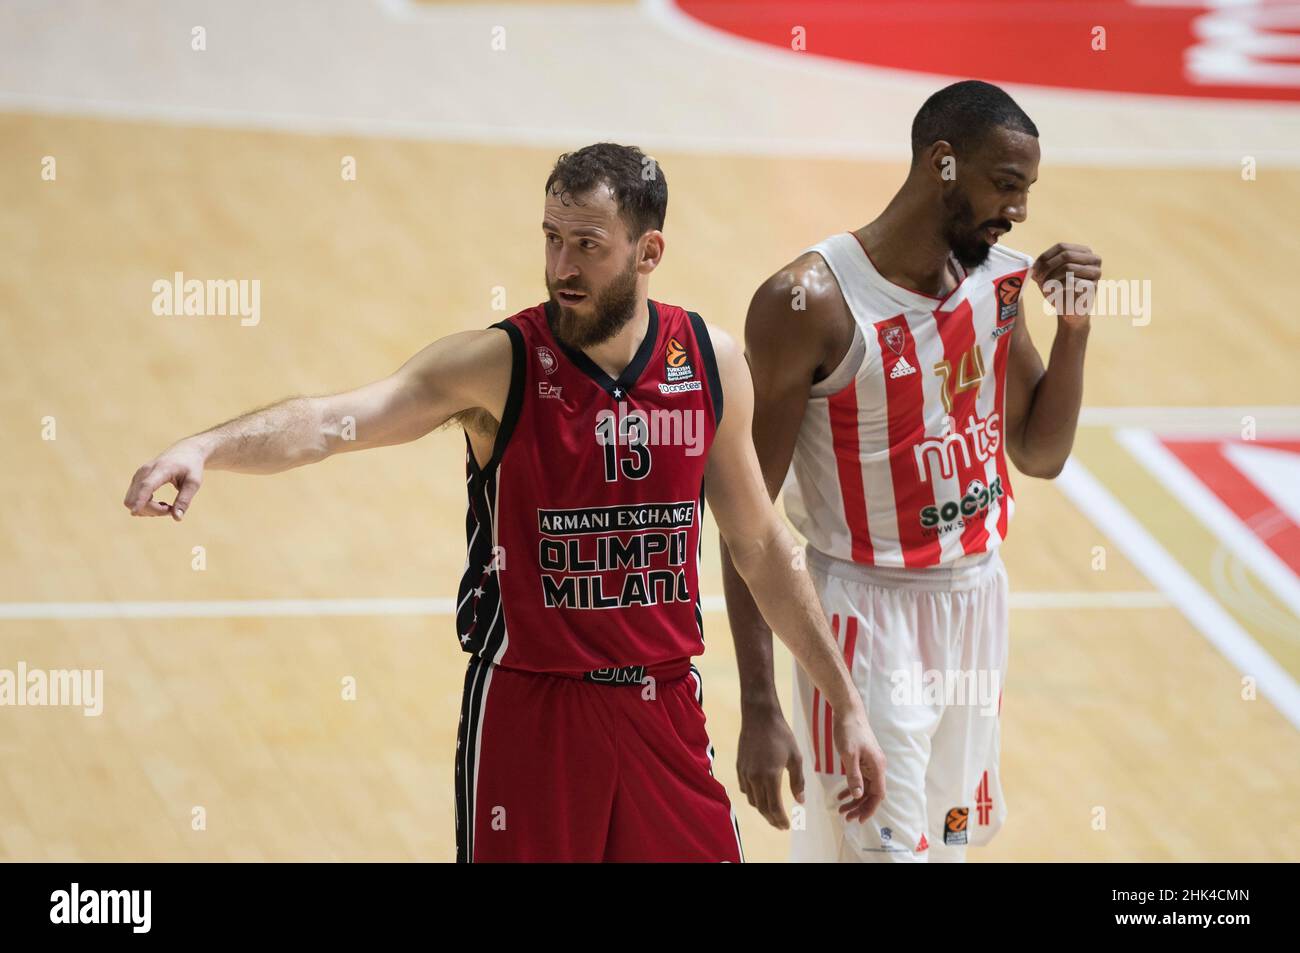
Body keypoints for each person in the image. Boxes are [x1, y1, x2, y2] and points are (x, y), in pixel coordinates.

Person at [123, 142, 887, 862]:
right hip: (532, 712)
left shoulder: (708, 362)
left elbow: (760, 545)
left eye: (588, 243)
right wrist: (207, 447)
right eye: (551, 238)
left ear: (648, 252)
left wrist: (842, 699)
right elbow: (332, 422)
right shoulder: (501, 364)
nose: (562, 265)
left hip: (664, 707)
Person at [722, 81, 1101, 862]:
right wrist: (760, 701)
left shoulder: (993, 283)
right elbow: (746, 518)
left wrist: (1073, 330)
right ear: (944, 163)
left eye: (1028, 192)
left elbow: (1040, 453)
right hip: (863, 615)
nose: (1020, 212)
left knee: (939, 848)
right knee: (893, 853)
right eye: (1007, 185)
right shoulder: (809, 302)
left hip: (975, 601)